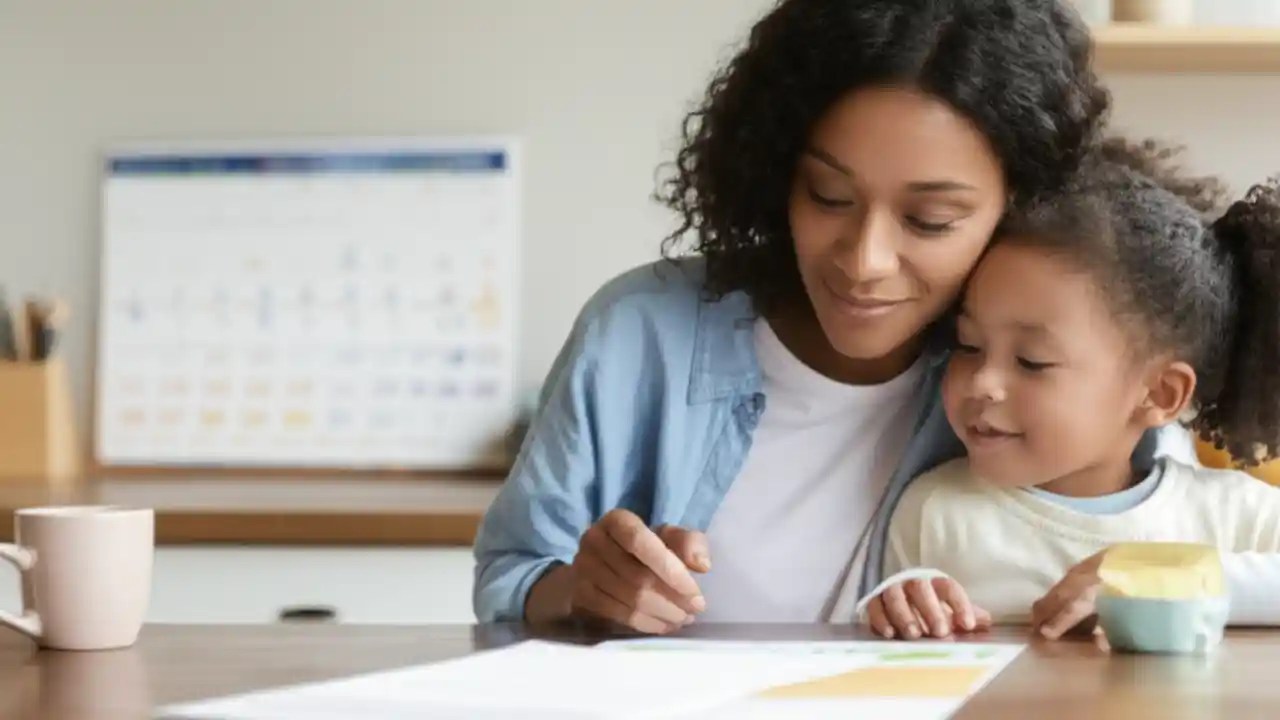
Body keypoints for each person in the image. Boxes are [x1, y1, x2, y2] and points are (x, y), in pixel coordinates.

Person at [473, 0, 1173, 633]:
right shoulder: (639, 333)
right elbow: (512, 573)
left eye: (930, 221)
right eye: (829, 196)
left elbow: (1184, 546)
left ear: (1019, 210)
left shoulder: (1050, 378)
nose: (865, 260)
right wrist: (577, 590)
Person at [855, 140, 1280, 641]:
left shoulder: (1238, 515)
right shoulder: (937, 512)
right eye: (967, 345)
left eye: (1032, 361)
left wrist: (1166, 578)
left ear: (1160, 394)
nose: (983, 383)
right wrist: (901, 600)